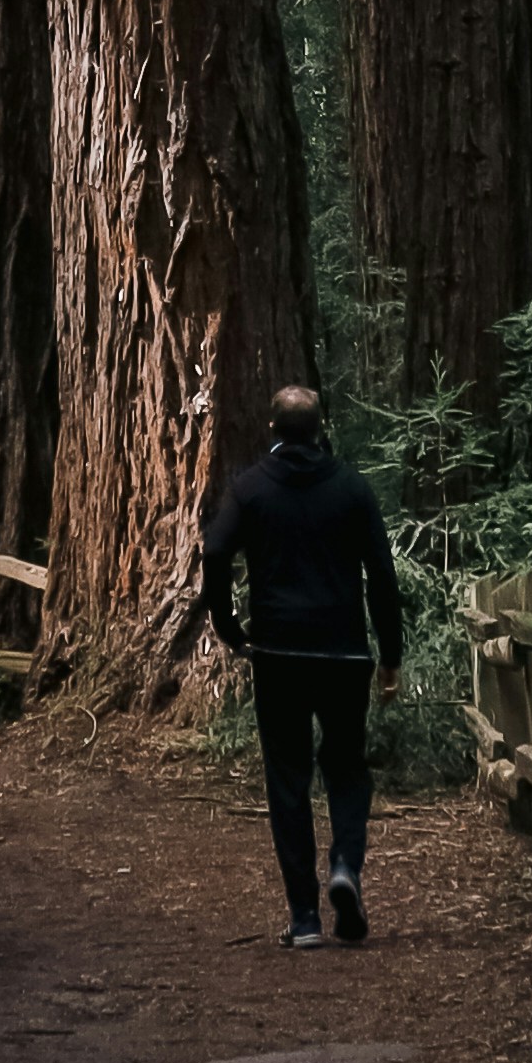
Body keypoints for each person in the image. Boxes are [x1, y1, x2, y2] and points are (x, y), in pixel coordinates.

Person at [197, 382, 406, 946]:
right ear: (321, 429)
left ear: (272, 429)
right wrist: (391, 657)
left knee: (287, 778)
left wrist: (228, 626)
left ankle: (305, 918)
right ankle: (345, 866)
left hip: (279, 655)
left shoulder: (250, 489)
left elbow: (215, 551)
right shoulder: (351, 489)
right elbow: (381, 577)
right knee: (346, 766)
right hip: (343, 654)